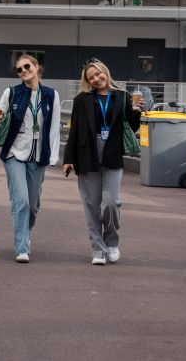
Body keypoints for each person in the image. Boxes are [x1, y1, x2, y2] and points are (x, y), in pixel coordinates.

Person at [63, 58, 143, 265]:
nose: (97, 79)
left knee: (111, 202)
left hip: (112, 152)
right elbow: (74, 130)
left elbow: (133, 127)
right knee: (91, 204)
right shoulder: (82, 99)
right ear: (88, 81)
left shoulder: (122, 97)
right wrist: (68, 158)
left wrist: (137, 111)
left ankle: (112, 242)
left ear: (106, 73)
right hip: (87, 152)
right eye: (92, 77)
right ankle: (98, 249)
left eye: (99, 74)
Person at [0, 55, 61, 263]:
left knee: (32, 205)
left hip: (38, 156)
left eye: (27, 66)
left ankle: (25, 232)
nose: (23, 71)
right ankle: (21, 247)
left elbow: (55, 127)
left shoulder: (51, 95)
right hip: (14, 153)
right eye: (19, 69)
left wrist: (53, 157)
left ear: (37, 67)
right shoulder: (11, 92)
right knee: (20, 201)